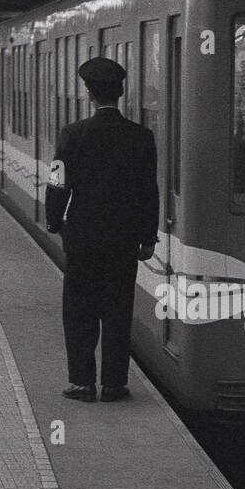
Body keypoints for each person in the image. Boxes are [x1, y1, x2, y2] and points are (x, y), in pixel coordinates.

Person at [44, 56, 158, 402]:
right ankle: (114, 384)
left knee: (80, 311)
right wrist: (147, 237)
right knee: (118, 310)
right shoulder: (141, 137)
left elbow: (58, 181)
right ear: (121, 93)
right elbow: (148, 190)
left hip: (82, 238)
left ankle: (82, 382)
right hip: (123, 240)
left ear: (89, 94)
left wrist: (54, 220)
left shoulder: (72, 134)